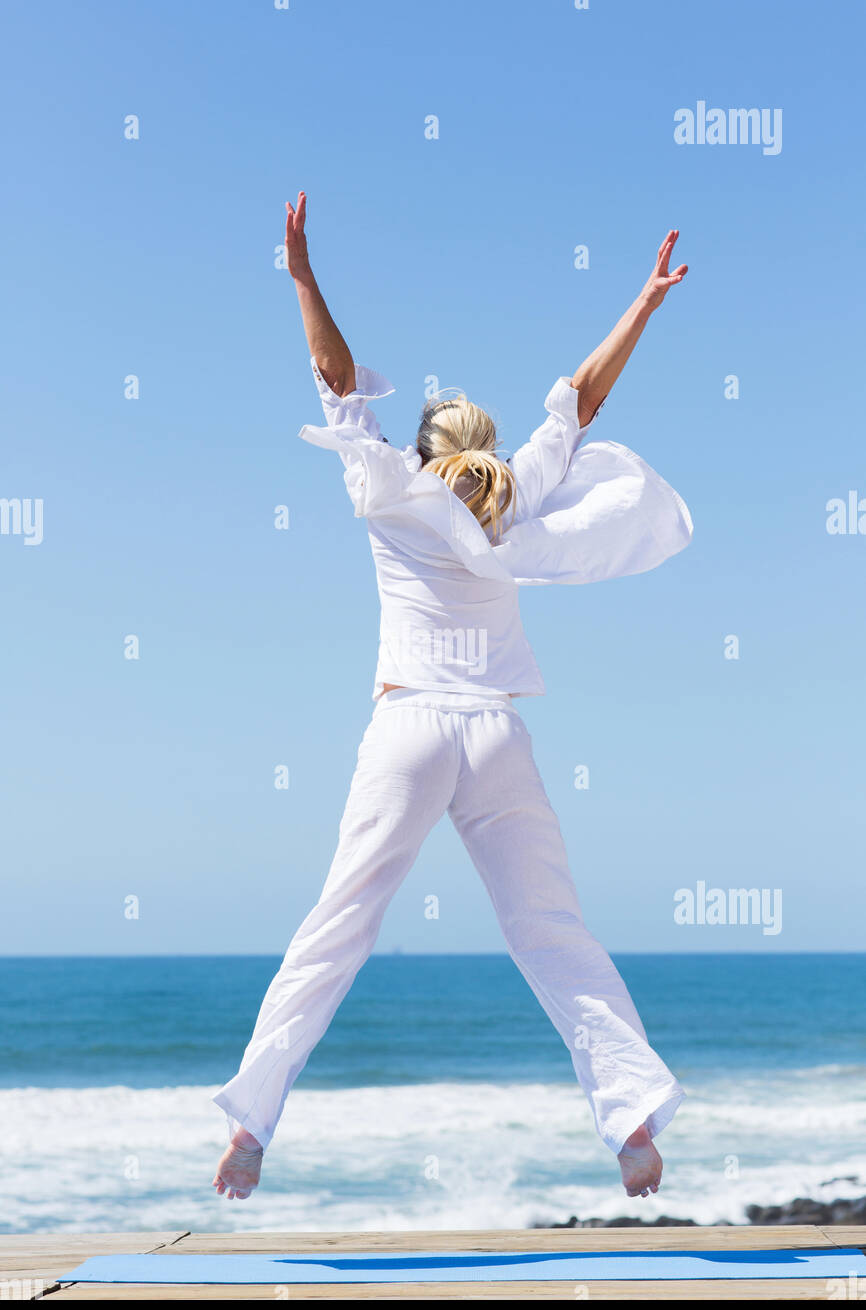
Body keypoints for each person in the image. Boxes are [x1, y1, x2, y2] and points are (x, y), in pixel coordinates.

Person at [212, 193, 692, 1203]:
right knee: (551, 931)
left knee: (338, 923)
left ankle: (252, 1125)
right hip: (497, 740)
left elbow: (336, 382)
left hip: (408, 730)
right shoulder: (510, 494)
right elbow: (580, 401)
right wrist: (642, 303)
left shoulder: (391, 489)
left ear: (424, 446)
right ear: (478, 445)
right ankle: (631, 1120)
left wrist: (302, 275)